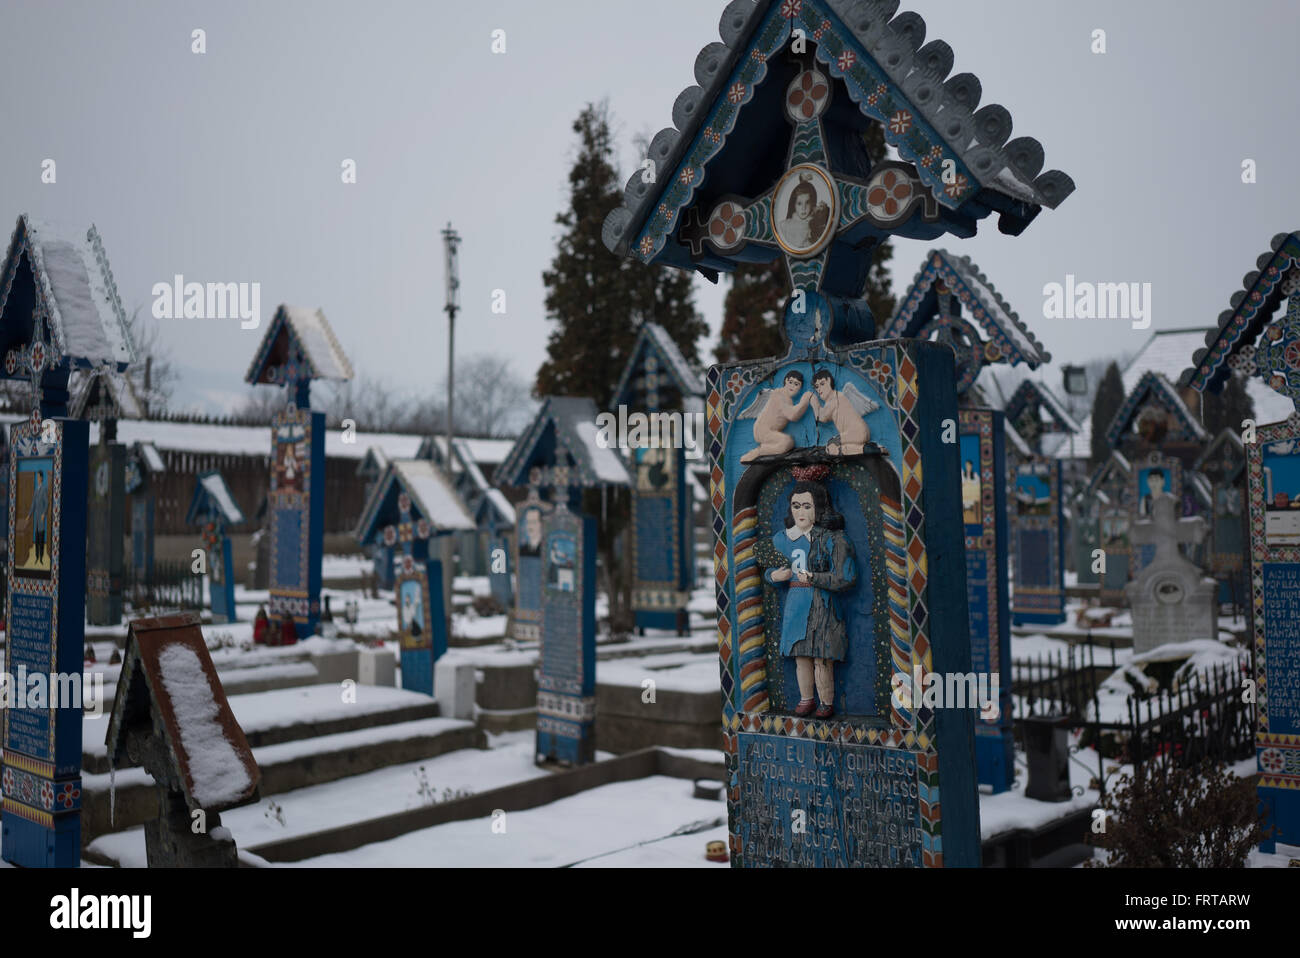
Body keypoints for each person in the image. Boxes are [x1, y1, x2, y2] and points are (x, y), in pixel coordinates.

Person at [764, 470, 857, 719]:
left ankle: (826, 702)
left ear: (819, 508)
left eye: (807, 506)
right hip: (796, 603)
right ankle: (806, 698)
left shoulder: (832, 540)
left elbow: (846, 577)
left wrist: (816, 578)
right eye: (796, 506)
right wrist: (774, 576)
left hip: (822, 603)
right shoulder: (782, 539)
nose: (801, 512)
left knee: (821, 656)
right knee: (800, 655)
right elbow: (767, 567)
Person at [739, 370, 812, 464]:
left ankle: (762, 450)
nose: (792, 386)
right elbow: (793, 415)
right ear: (785, 381)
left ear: (800, 388)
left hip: (767, 431)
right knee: (787, 442)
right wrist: (805, 401)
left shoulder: (785, 397)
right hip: (764, 431)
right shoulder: (779, 395)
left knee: (787, 442)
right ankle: (758, 452)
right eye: (790, 382)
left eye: (796, 384)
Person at [778, 174, 830, 250]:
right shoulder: (784, 226)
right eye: (799, 203)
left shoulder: (815, 224)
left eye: (807, 202)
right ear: (794, 205)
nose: (803, 208)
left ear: (812, 203)